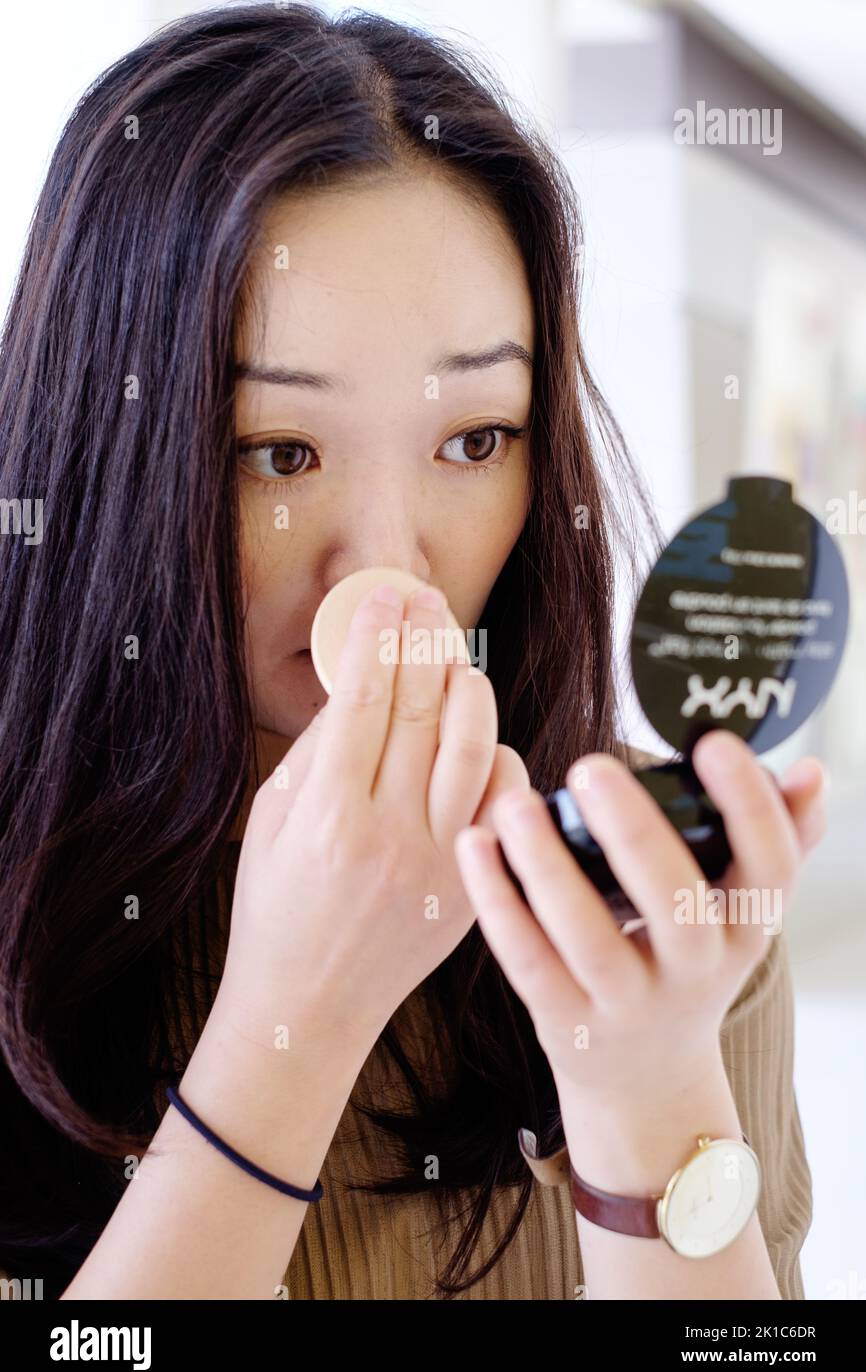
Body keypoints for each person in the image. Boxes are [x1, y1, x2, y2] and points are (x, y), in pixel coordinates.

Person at [0, 3, 818, 1301]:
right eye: (279, 452)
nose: (389, 566)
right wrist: (297, 1022)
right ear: (105, 454)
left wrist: (643, 1091)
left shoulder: (650, 891)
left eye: (473, 438)